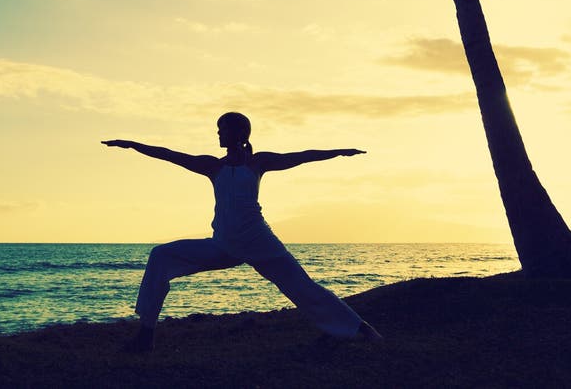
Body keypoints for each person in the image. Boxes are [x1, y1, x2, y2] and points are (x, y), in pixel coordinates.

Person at [102, 111, 382, 352]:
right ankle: (146, 334)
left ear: (238, 132)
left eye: (222, 129)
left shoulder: (257, 162)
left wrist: (338, 152)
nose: (218, 135)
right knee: (161, 256)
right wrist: (132, 145)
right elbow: (170, 155)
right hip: (223, 245)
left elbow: (301, 157)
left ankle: (361, 329)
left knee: (302, 288)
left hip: (260, 243)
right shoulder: (213, 165)